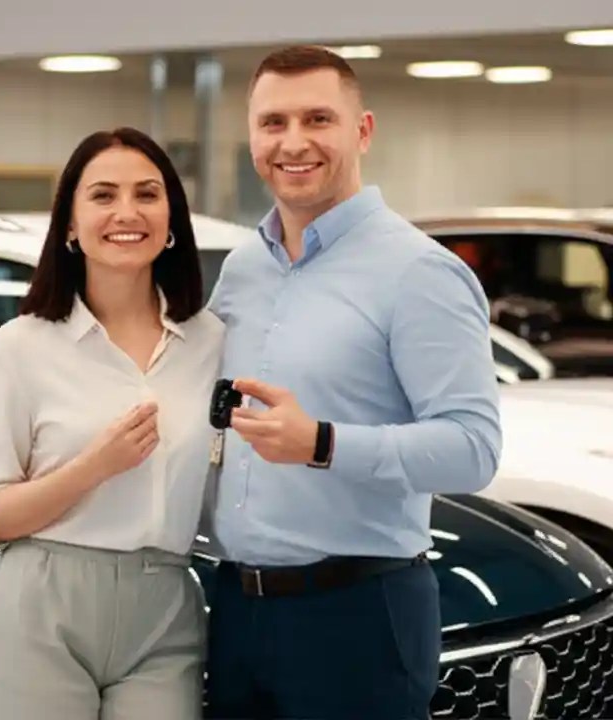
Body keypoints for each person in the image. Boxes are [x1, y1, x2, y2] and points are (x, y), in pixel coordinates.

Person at [203, 45, 503, 719]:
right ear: (251, 136)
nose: (293, 142)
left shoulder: (420, 272)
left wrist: (322, 442)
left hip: (356, 614)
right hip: (235, 611)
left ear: (362, 130)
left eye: (318, 119)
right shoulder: (244, 267)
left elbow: (473, 449)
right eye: (273, 122)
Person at [0, 126, 223, 720]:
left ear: (172, 217)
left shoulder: (211, 343)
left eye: (147, 194)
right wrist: (93, 468)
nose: (127, 212)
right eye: (103, 195)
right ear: (70, 225)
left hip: (166, 606)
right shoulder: (17, 349)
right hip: (42, 602)